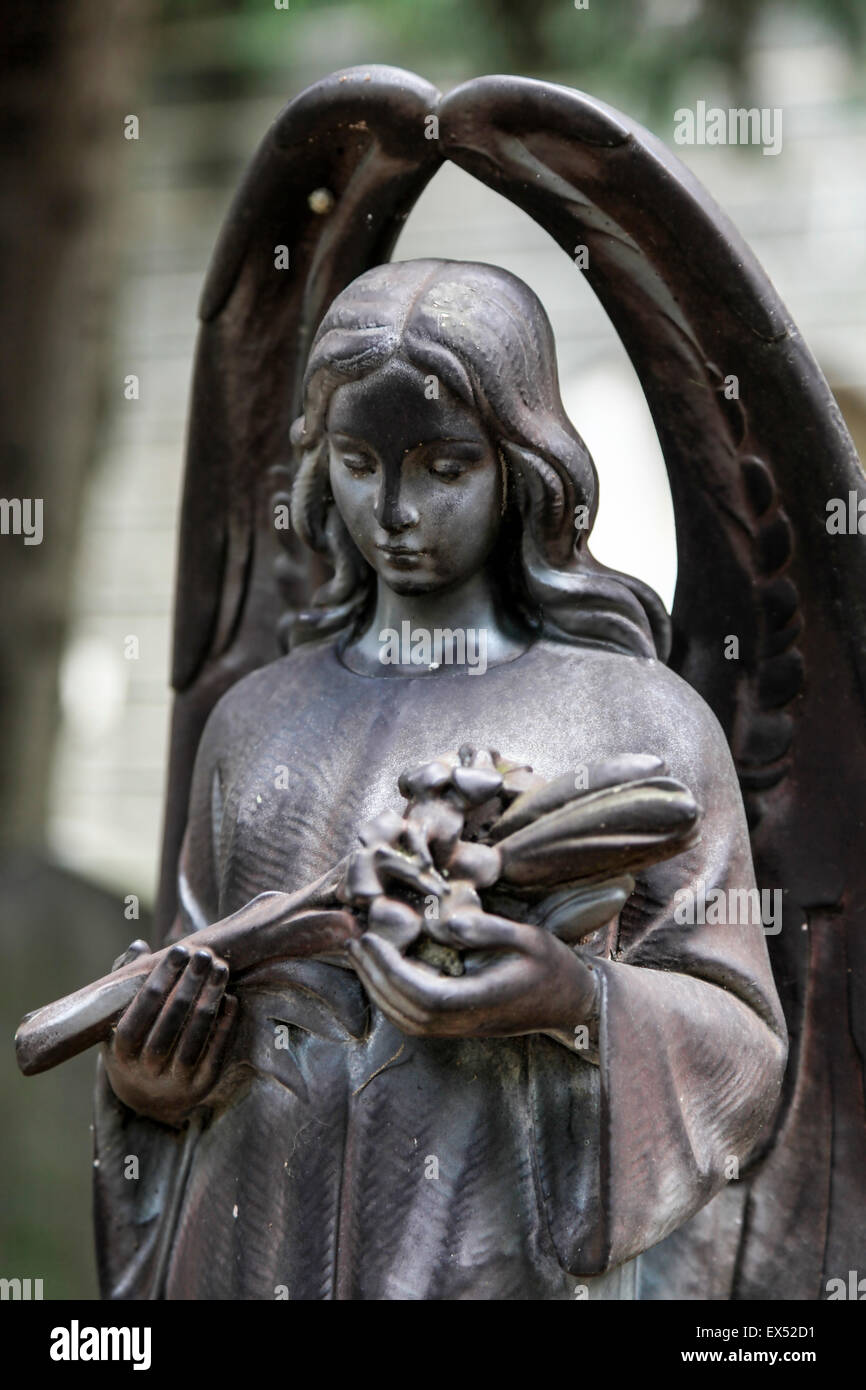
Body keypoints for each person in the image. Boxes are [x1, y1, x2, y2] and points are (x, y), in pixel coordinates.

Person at [94, 260, 786, 1300]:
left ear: (524, 463)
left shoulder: (633, 717)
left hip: (485, 1243)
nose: (395, 510)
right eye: (358, 462)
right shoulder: (257, 719)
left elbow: (738, 1044)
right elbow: (206, 981)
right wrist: (152, 1083)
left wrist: (573, 999)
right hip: (252, 1232)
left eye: (444, 465)